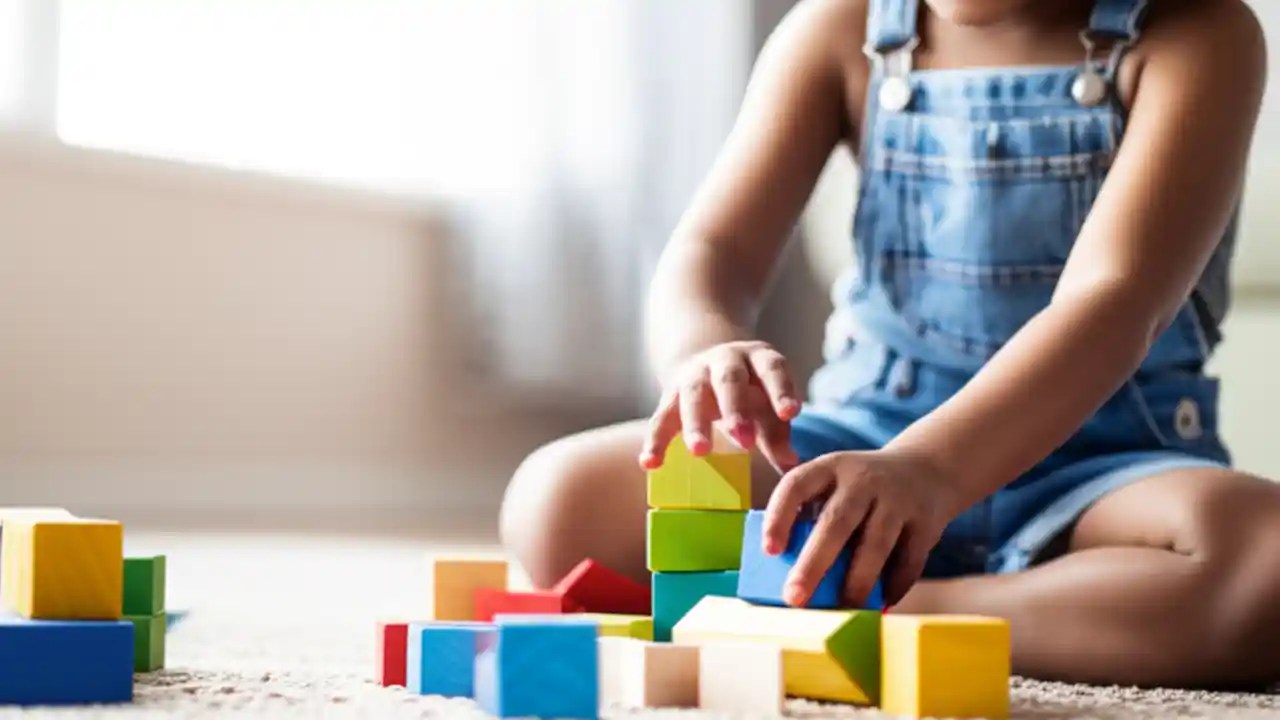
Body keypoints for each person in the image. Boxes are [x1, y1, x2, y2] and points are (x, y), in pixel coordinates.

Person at [500, 0, 1273, 687]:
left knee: (1263, 564)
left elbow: (1114, 302)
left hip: (1098, 468)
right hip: (859, 445)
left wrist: (933, 470)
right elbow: (712, 249)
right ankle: (838, 600)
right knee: (557, 501)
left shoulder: (1196, 34)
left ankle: (875, 616)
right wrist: (703, 349)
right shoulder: (838, 30)